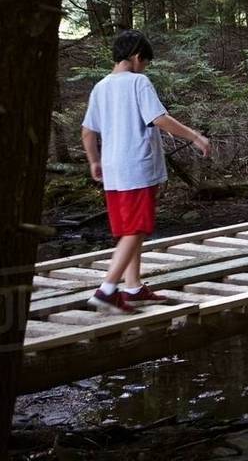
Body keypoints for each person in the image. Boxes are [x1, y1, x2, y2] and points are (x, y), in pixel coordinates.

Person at [82, 30, 211, 314]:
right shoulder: (139, 82)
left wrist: (94, 161)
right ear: (137, 57)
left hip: (114, 171)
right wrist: (195, 137)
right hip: (136, 166)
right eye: (145, 61)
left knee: (130, 231)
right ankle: (106, 290)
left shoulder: (100, 87)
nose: (145, 67)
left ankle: (133, 288)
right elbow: (159, 118)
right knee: (136, 229)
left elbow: (88, 131)